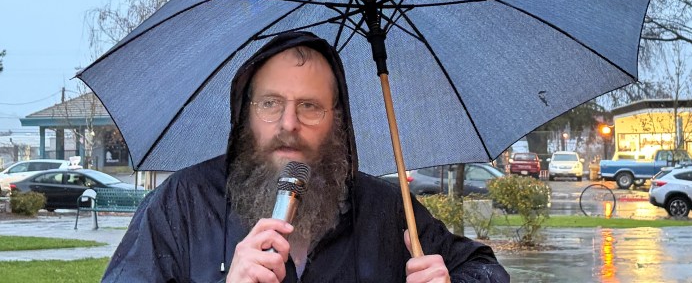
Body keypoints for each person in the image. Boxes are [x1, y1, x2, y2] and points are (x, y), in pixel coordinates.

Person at [102, 31, 509, 282]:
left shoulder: (386, 211)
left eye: (310, 106)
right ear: (246, 113)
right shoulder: (183, 204)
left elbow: (485, 269)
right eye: (270, 103)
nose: (289, 124)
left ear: (338, 120)